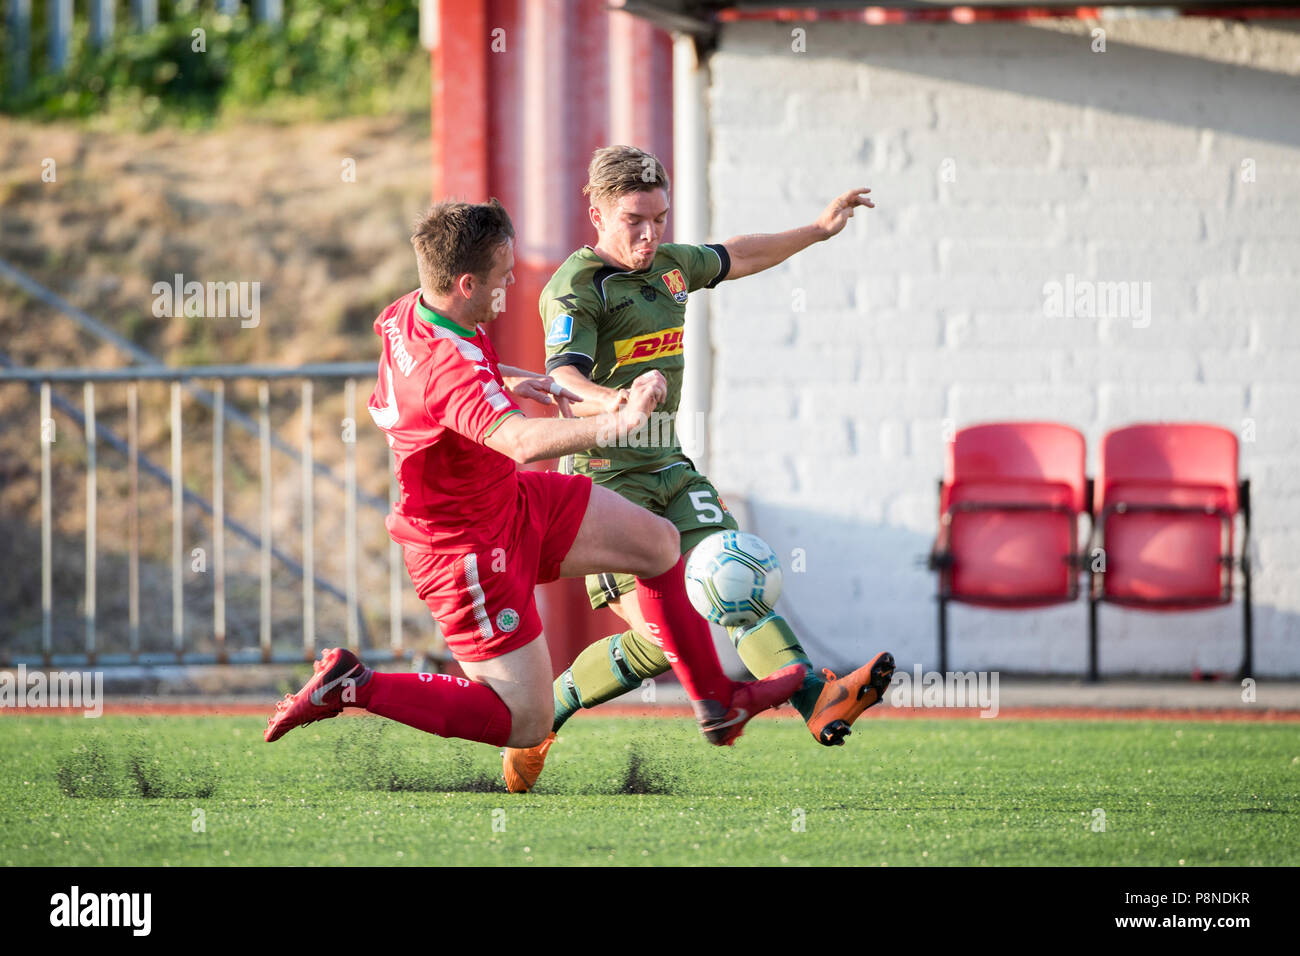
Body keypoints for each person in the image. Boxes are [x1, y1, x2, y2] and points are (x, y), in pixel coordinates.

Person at [264, 198, 804, 753]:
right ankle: (355, 687)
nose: (513, 280)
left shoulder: (413, 310)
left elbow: (461, 382)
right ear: (467, 283)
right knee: (524, 723)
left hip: (510, 501)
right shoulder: (446, 371)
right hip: (464, 550)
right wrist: (619, 421)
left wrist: (509, 380)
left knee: (660, 543)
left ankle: (717, 704)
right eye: (503, 274)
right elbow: (519, 441)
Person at [502, 146, 893, 792]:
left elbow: (737, 254)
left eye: (659, 217)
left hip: (672, 471)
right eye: (634, 219)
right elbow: (563, 377)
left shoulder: (672, 267)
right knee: (660, 641)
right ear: (596, 211)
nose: (650, 233)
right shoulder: (576, 285)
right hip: (603, 483)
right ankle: (543, 719)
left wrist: (818, 232)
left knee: (732, 575)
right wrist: (617, 400)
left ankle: (817, 697)